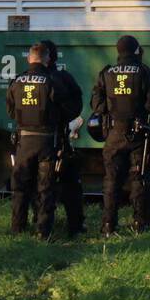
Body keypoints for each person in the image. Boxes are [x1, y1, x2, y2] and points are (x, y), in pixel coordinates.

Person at [90, 34, 150, 235]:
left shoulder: (106, 73)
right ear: (136, 51)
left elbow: (97, 106)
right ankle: (141, 224)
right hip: (139, 134)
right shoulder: (144, 72)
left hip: (113, 135)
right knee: (140, 178)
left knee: (111, 181)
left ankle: (108, 226)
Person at [5, 42, 58, 239]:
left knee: (19, 187)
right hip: (46, 141)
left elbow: (10, 111)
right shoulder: (51, 81)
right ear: (47, 59)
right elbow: (60, 108)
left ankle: (17, 229)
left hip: (24, 141)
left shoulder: (17, 81)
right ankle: (43, 231)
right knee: (45, 187)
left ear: (29, 59)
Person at [41, 39, 86, 237]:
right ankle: (75, 226)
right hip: (59, 139)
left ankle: (41, 226)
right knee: (70, 184)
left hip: (32, 139)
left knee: (39, 186)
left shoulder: (23, 78)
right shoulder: (63, 78)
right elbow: (76, 105)